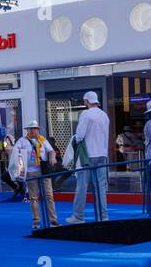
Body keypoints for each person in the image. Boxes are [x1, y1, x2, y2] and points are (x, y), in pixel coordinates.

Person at [67, 90, 111, 224]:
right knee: (101, 187)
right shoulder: (104, 115)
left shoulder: (86, 115)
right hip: (102, 155)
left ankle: (78, 216)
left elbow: (79, 135)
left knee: (82, 186)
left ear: (87, 101)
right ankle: (103, 217)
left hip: (87, 156)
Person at [13, 121, 58, 232]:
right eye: (31, 128)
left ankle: (53, 220)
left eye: (35, 128)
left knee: (49, 195)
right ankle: (36, 220)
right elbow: (15, 152)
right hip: (30, 172)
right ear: (27, 130)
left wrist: (52, 157)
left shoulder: (42, 140)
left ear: (38, 129)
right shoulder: (22, 141)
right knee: (33, 198)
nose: (33, 131)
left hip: (43, 170)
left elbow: (51, 151)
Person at [0, 125, 25, 200]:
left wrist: (2, 149)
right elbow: (4, 149)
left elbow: (5, 148)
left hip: (17, 163)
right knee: (6, 176)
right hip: (14, 163)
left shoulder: (7, 138)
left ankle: (20, 191)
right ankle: (18, 189)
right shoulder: (7, 139)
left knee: (16, 177)